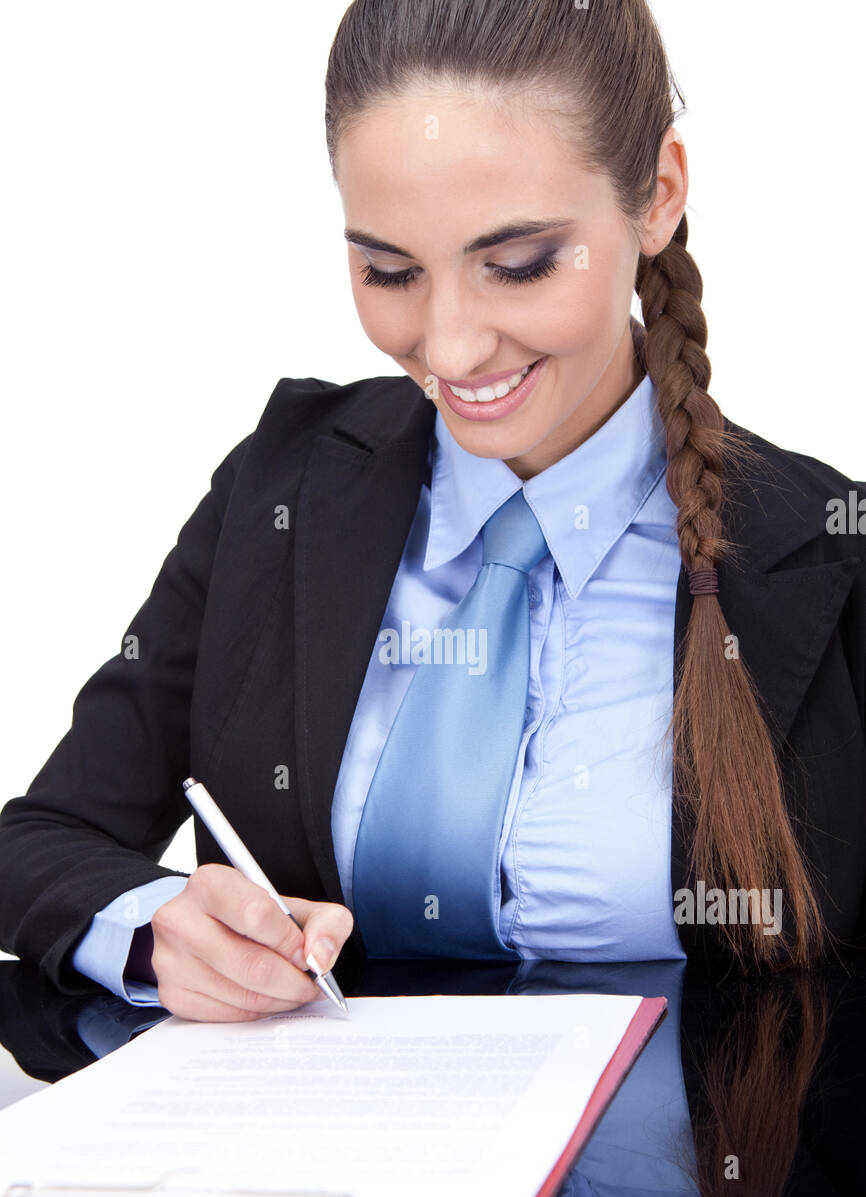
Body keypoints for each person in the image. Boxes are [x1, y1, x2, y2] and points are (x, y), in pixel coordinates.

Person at [1, 0, 865, 1024]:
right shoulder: (279, 488)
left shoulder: (826, 551)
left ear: (656, 196)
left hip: (694, 1174)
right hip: (327, 1173)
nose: (449, 349)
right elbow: (41, 839)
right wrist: (157, 928)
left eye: (517, 264)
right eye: (389, 271)